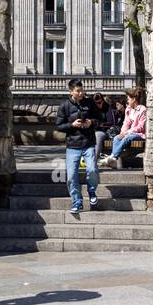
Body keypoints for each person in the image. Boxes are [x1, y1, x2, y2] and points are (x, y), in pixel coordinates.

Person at [56, 78, 100, 214]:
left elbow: (100, 118)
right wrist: (71, 125)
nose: (81, 93)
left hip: (88, 142)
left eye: (82, 90)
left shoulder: (90, 103)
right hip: (73, 145)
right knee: (71, 176)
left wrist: (91, 123)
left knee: (92, 170)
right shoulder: (64, 106)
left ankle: (92, 192)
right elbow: (59, 125)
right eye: (78, 91)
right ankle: (77, 201)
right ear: (71, 92)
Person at [102, 87, 148, 169]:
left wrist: (128, 132)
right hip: (129, 133)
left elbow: (141, 127)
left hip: (139, 134)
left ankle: (113, 157)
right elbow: (126, 123)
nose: (127, 100)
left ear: (134, 99)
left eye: (128, 98)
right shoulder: (129, 109)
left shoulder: (142, 109)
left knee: (128, 138)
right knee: (116, 138)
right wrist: (122, 133)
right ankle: (114, 158)